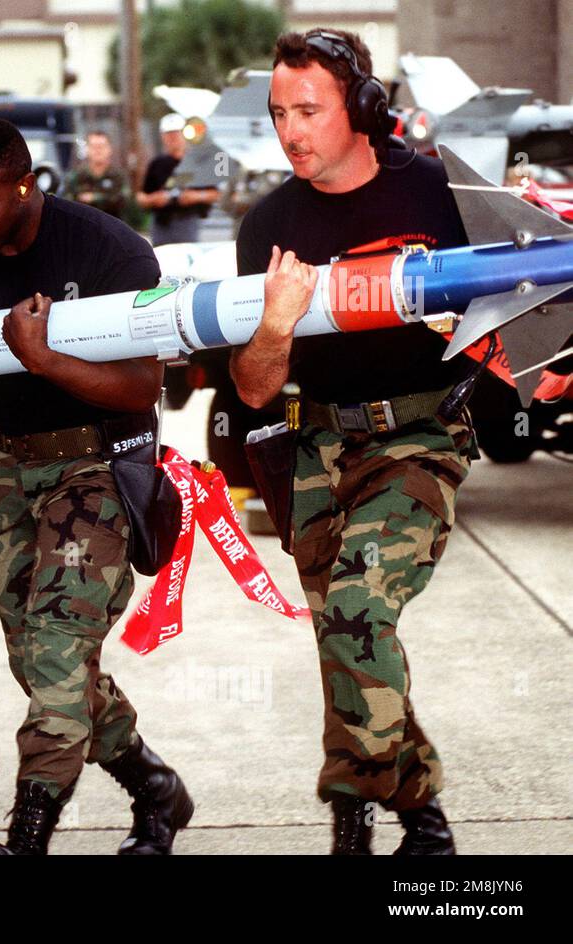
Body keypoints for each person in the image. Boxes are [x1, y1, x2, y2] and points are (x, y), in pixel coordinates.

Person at [0, 118, 193, 856]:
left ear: (23, 183)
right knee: (37, 660)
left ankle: (28, 834)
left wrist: (45, 360)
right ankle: (152, 786)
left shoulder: (105, 249)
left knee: (60, 648)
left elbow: (144, 384)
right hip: (9, 467)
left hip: (97, 464)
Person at [228, 29, 473, 856]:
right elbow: (256, 387)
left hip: (419, 435)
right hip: (313, 451)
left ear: (363, 108)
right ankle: (422, 816)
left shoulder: (440, 195)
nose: (291, 131)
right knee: (346, 633)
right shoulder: (268, 224)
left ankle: (351, 817)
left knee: (358, 610)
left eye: (309, 110)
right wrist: (275, 322)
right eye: (277, 114)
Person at [139, 114, 220, 245]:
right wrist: (154, 199)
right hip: (162, 223)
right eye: (169, 134)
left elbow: (215, 194)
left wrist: (195, 196)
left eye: (176, 133)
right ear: (162, 137)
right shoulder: (157, 164)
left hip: (187, 221)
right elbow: (142, 197)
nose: (173, 138)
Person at [61, 131, 133, 221]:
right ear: (87, 149)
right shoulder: (76, 176)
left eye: (101, 146)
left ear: (109, 149)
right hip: (83, 226)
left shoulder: (118, 176)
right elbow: (66, 202)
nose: (98, 150)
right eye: (93, 146)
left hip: (112, 227)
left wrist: (94, 198)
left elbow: (123, 200)